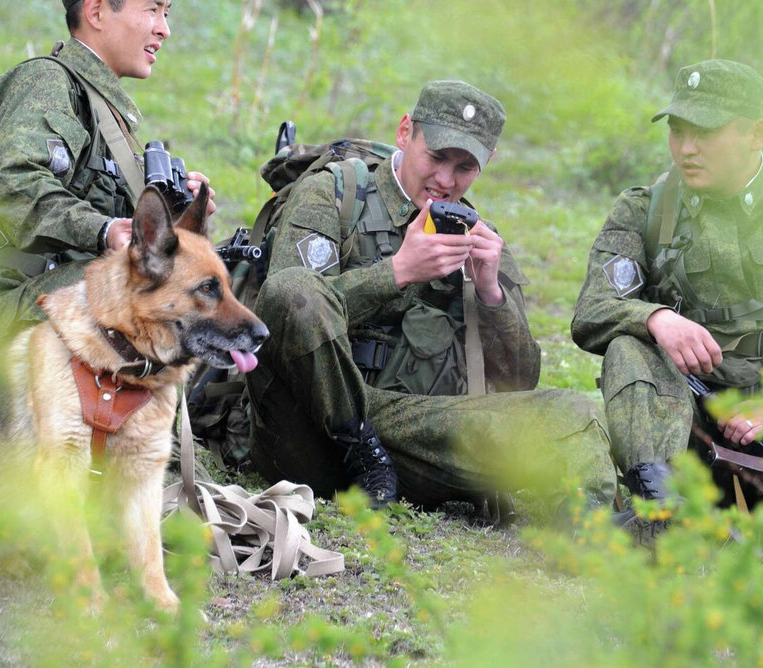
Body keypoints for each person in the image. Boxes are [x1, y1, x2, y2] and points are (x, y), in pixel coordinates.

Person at [245, 80, 616, 517]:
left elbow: (520, 380)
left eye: (464, 167)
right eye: (437, 157)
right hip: (311, 431)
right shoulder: (333, 194)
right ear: (406, 133)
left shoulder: (478, 237)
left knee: (575, 415)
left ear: (487, 164)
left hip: (415, 436)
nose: (445, 179)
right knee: (294, 288)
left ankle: (587, 535)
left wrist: (490, 293)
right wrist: (399, 272)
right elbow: (286, 311)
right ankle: (362, 449)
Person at [570, 59, 763, 517]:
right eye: (677, 130)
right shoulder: (647, 208)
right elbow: (592, 310)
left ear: (755, 135)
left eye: (705, 133)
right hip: (684, 421)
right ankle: (660, 510)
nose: (686, 149)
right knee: (627, 348)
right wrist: (656, 318)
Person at [0, 0, 213, 374]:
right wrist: (106, 230)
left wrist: (184, 217)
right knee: (129, 293)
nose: (164, 29)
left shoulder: (105, 110)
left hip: (37, 296)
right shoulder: (48, 83)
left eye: (166, 14)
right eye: (152, 10)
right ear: (96, 12)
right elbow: (15, 184)